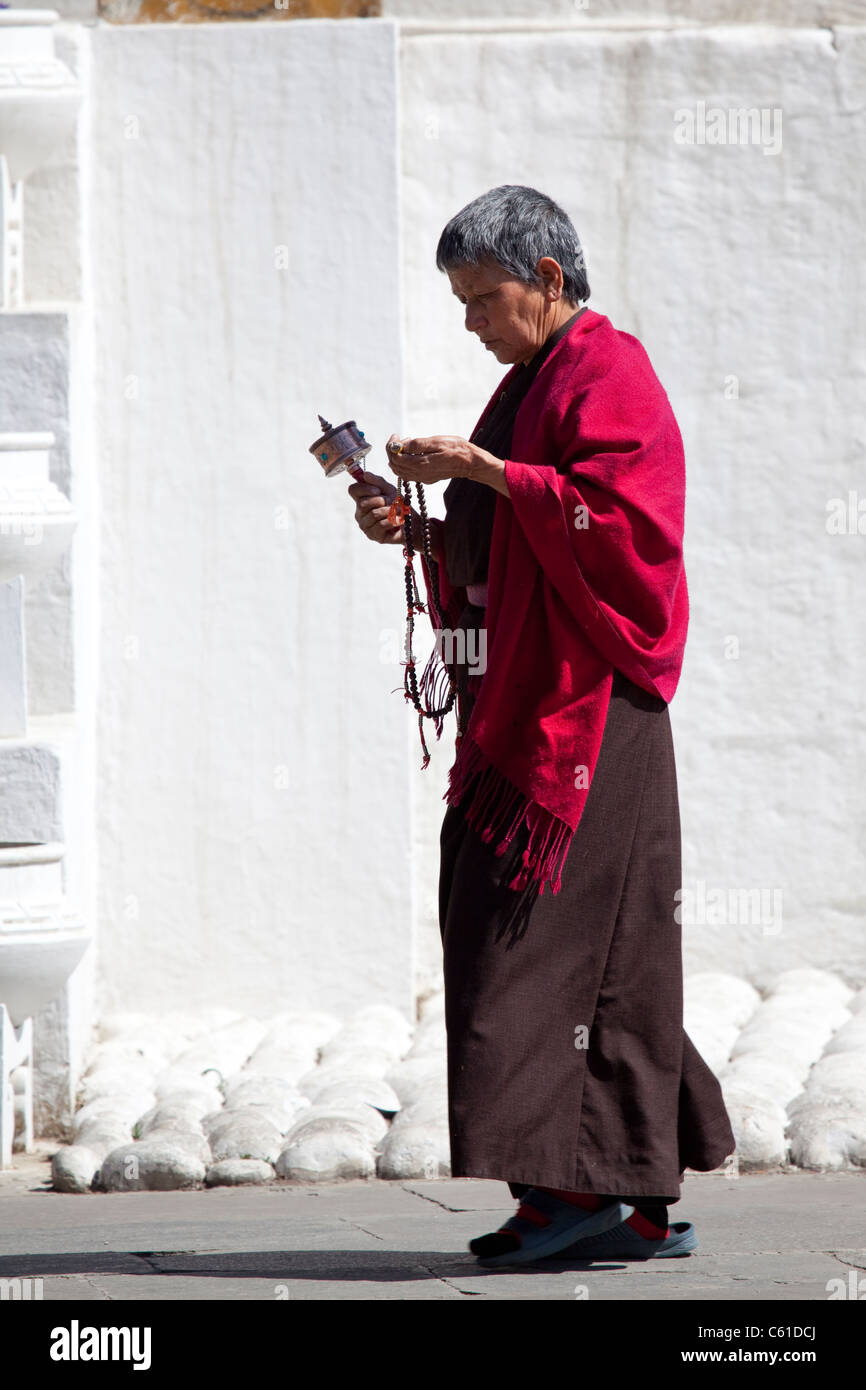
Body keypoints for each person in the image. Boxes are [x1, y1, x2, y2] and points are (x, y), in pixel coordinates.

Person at [349, 184, 735, 1268]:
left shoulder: (610, 371)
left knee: (522, 948)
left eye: (482, 298)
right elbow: (502, 546)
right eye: (461, 301)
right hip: (528, 710)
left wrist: (479, 470)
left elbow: (621, 528)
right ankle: (637, 1194)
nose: (470, 322)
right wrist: (415, 527)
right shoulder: (526, 385)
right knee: (605, 962)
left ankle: (571, 1194)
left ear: (550, 281)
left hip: (591, 715)